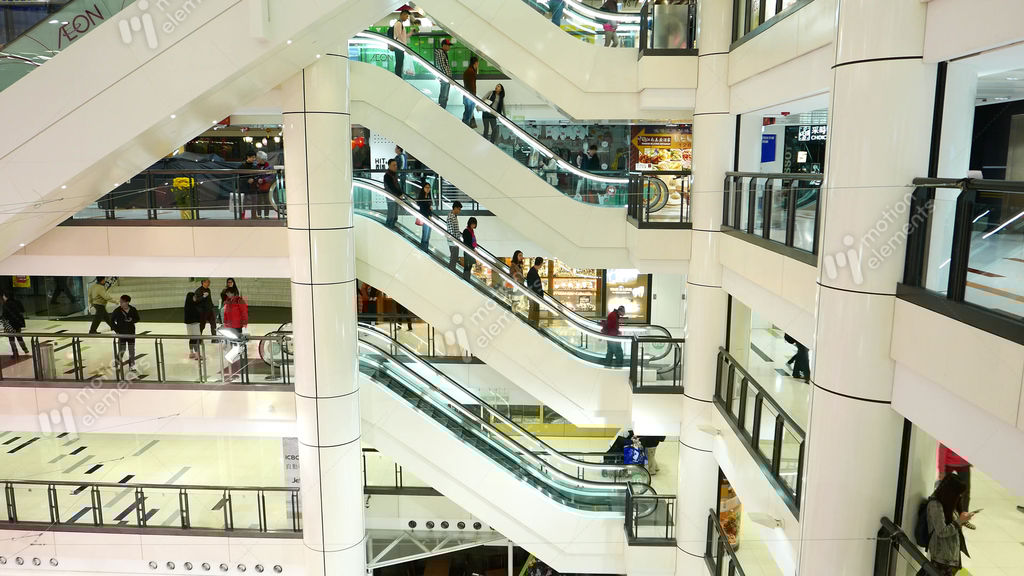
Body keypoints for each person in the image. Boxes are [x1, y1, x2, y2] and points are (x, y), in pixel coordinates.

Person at [926, 473, 972, 575]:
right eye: (958, 493)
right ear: (951, 492)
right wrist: (959, 521)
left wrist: (962, 520)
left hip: (950, 557)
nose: (960, 496)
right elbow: (942, 532)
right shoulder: (936, 505)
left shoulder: (948, 502)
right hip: (941, 559)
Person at [938, 444, 974, 530]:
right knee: (945, 493)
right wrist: (941, 471)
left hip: (964, 464)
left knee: (965, 492)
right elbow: (942, 449)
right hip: (948, 463)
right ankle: (944, 517)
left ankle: (964, 517)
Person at [221, 286, 249, 381]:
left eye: (228, 293)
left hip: (237, 325)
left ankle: (237, 354)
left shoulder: (239, 301)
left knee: (237, 340)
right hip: (230, 325)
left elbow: (244, 311)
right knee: (233, 341)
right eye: (226, 294)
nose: (227, 295)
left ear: (232, 293)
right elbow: (226, 312)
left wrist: (244, 322)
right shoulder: (228, 301)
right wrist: (225, 322)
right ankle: (235, 355)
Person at [111, 294, 140, 374]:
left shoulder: (133, 309)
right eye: (120, 302)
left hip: (131, 332)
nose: (120, 303)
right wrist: (116, 330)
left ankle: (132, 365)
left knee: (131, 350)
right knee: (122, 350)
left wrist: (132, 320)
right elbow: (112, 320)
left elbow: (137, 319)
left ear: (127, 302)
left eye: (122, 302)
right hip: (121, 333)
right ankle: (117, 363)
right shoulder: (117, 310)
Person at [1, 291, 29, 357]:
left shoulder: (5, 304)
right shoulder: (17, 302)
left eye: (4, 296)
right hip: (18, 323)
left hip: (10, 324)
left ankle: (15, 353)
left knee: (11, 339)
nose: (3, 297)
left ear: (6, 296)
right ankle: (25, 349)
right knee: (19, 337)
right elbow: (22, 311)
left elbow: (5, 316)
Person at [254, 150, 276, 219]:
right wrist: (257, 180)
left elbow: (272, 176)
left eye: (258, 158)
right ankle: (259, 215)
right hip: (258, 187)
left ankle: (266, 215)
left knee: (266, 201)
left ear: (262, 159)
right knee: (258, 201)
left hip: (267, 186)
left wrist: (264, 180)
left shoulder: (269, 167)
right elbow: (254, 175)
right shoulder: (255, 167)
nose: (257, 159)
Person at [383, 159, 403, 228]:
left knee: (394, 213)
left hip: (395, 197)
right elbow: (392, 187)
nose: (396, 166)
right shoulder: (387, 176)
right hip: (391, 197)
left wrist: (400, 193)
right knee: (392, 213)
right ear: (389, 166)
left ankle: (391, 226)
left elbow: (396, 185)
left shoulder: (393, 175)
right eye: (393, 165)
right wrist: (400, 193)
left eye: (396, 165)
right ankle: (389, 227)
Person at [433, 38, 452, 109]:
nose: (449, 47)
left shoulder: (444, 53)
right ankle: (442, 109)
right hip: (445, 78)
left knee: (445, 96)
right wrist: (448, 77)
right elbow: (442, 66)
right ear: (444, 45)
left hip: (446, 78)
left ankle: (443, 109)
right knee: (444, 96)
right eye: (448, 45)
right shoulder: (440, 53)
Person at [240, 150, 259, 219]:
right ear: (248, 157)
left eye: (255, 158)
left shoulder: (255, 167)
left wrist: (254, 179)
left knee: (254, 201)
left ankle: (254, 215)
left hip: (253, 187)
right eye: (253, 157)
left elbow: (258, 176)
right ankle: (242, 215)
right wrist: (246, 180)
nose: (254, 159)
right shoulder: (242, 166)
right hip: (244, 187)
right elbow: (239, 177)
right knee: (243, 202)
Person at [392, 9, 410, 77]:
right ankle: (398, 77)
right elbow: (399, 36)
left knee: (400, 63)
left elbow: (403, 36)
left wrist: (411, 33)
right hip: (399, 47)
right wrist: (405, 46)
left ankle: (399, 76)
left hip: (400, 46)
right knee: (399, 63)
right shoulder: (399, 23)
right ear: (402, 15)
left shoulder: (400, 24)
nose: (407, 18)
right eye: (406, 16)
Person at [526, 256, 544, 326]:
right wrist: (539, 294)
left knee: (534, 309)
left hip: (534, 295)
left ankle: (534, 324)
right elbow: (533, 285)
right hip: (534, 295)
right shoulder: (532, 272)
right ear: (540, 264)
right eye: (542, 264)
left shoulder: (533, 271)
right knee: (534, 310)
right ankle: (533, 324)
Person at [462, 56, 479, 127]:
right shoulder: (470, 71)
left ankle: (465, 126)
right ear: (475, 63)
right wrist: (473, 96)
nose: (478, 65)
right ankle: (465, 127)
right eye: (478, 63)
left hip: (468, 95)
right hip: (470, 96)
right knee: (468, 114)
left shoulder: (469, 71)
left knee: (468, 113)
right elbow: (471, 85)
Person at [184, 290, 201, 359]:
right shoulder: (193, 306)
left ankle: (191, 353)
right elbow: (197, 315)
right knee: (196, 339)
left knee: (191, 339)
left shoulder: (187, 305)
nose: (195, 298)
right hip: (195, 324)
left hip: (189, 325)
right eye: (194, 297)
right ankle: (197, 354)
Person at [417, 182, 434, 251]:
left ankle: (425, 249)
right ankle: (423, 250)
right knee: (425, 235)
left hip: (429, 218)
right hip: (425, 218)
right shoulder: (421, 197)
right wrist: (428, 208)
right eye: (426, 187)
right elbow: (422, 207)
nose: (428, 189)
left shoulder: (429, 196)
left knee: (427, 236)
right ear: (423, 188)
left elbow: (428, 207)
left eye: (429, 188)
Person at [447, 201, 462, 271]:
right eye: (459, 209)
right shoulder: (451, 217)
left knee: (454, 259)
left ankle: (452, 271)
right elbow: (451, 231)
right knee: (453, 259)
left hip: (455, 242)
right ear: (455, 208)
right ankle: (451, 272)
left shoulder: (454, 216)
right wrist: (455, 241)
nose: (459, 211)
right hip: (453, 243)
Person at [462, 217, 478, 281]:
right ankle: (466, 278)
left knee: (470, 265)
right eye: (472, 224)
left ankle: (467, 277)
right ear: (470, 223)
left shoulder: (471, 231)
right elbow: (467, 242)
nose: (474, 225)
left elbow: (472, 241)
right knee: (467, 265)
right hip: (468, 251)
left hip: (470, 250)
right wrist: (473, 249)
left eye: (474, 224)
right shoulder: (466, 231)